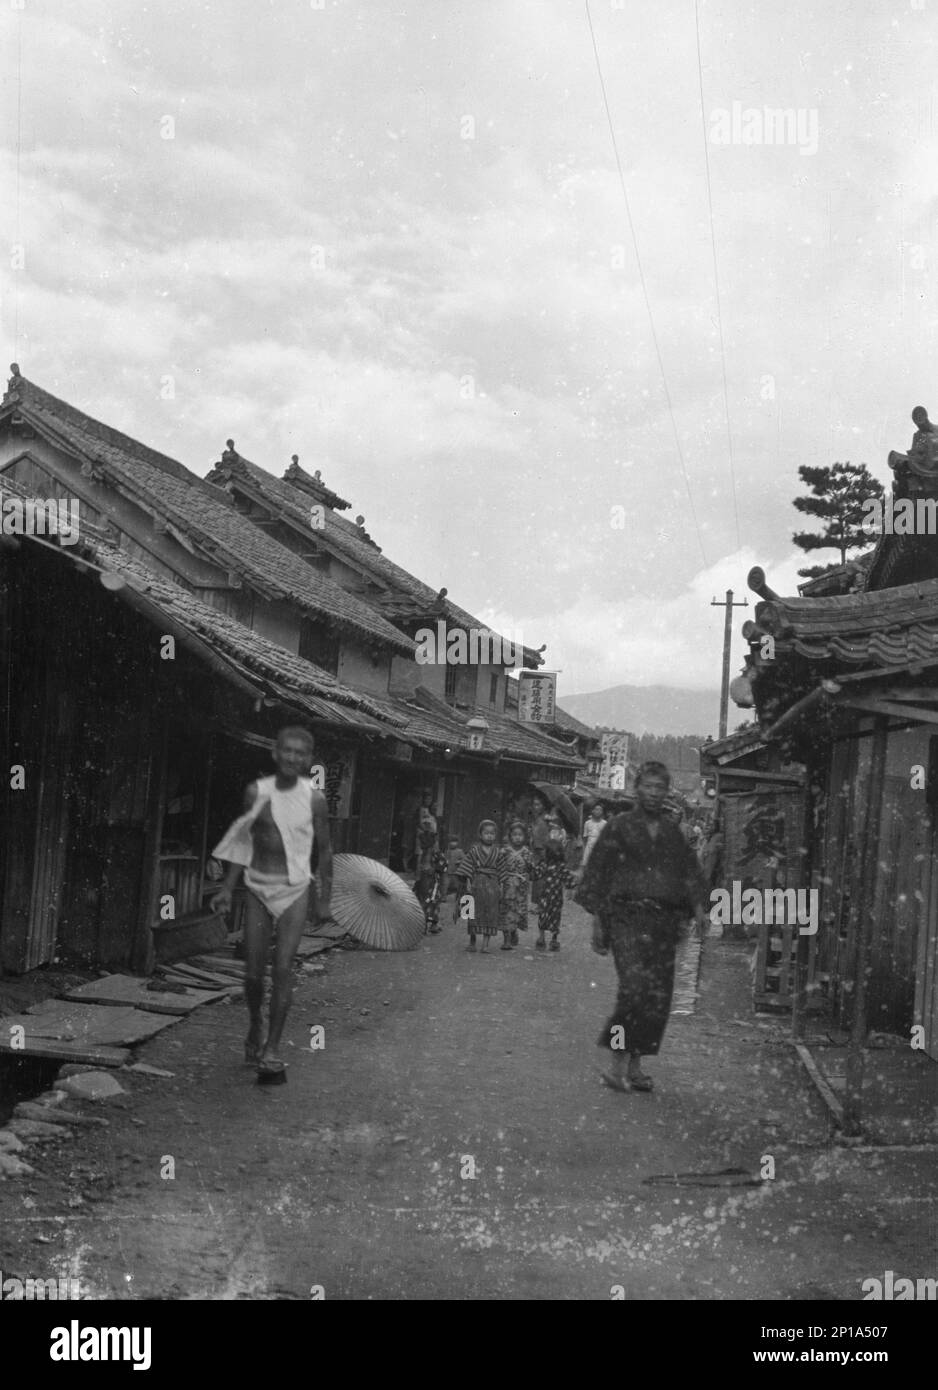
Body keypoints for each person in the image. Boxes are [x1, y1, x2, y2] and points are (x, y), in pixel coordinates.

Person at [575, 760, 707, 1094]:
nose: (653, 793)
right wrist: (597, 922)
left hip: (663, 922)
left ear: (666, 793)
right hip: (625, 918)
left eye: (659, 788)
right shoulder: (618, 827)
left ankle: (636, 1066)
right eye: (647, 786)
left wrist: (699, 910)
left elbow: (690, 873)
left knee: (655, 996)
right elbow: (599, 874)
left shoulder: (672, 833)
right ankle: (617, 1063)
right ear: (637, 789)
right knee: (633, 989)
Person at [210, 726, 332, 1084]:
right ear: (276, 754)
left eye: (301, 753)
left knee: (282, 969)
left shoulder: (314, 799)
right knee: (252, 973)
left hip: (295, 888)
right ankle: (255, 1024)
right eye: (287, 751)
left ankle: (273, 1048)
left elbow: (324, 850)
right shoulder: (256, 792)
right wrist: (227, 888)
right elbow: (241, 841)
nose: (293, 758)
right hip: (258, 887)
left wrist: (324, 898)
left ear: (308, 760)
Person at [455, 819, 507, 953]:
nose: (489, 836)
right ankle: (472, 941)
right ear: (480, 834)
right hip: (476, 884)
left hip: (492, 886)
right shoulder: (474, 851)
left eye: (492, 833)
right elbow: (467, 868)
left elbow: (502, 871)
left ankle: (486, 944)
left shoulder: (498, 852)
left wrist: (501, 886)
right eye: (486, 833)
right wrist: (467, 882)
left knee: (491, 913)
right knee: (473, 912)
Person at [531, 840, 578, 951]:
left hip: (556, 898)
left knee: (555, 918)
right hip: (544, 896)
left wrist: (571, 888)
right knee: (542, 916)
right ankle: (541, 938)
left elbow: (567, 878)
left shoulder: (560, 866)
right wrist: (530, 868)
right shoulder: (544, 864)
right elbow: (536, 874)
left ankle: (554, 939)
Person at [499, 820, 533, 949]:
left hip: (521, 887)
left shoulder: (526, 852)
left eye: (520, 835)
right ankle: (506, 939)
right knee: (506, 910)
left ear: (525, 837)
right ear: (510, 836)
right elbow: (499, 866)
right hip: (507, 885)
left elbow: (531, 868)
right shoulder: (505, 851)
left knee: (517, 911)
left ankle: (513, 931)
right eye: (514, 835)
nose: (517, 837)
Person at [415, 824, 447, 935]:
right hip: (428, 881)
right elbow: (443, 868)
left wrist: (432, 869)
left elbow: (441, 869)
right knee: (430, 902)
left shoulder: (430, 855)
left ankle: (430, 924)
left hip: (431, 881)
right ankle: (429, 924)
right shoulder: (432, 854)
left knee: (428, 901)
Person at [580, 803, 607, 871]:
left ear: (602, 812)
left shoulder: (605, 823)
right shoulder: (587, 823)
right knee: (585, 867)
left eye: (600, 810)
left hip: (600, 849)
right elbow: (585, 838)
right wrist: (584, 850)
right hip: (588, 847)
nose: (598, 811)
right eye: (596, 809)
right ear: (592, 811)